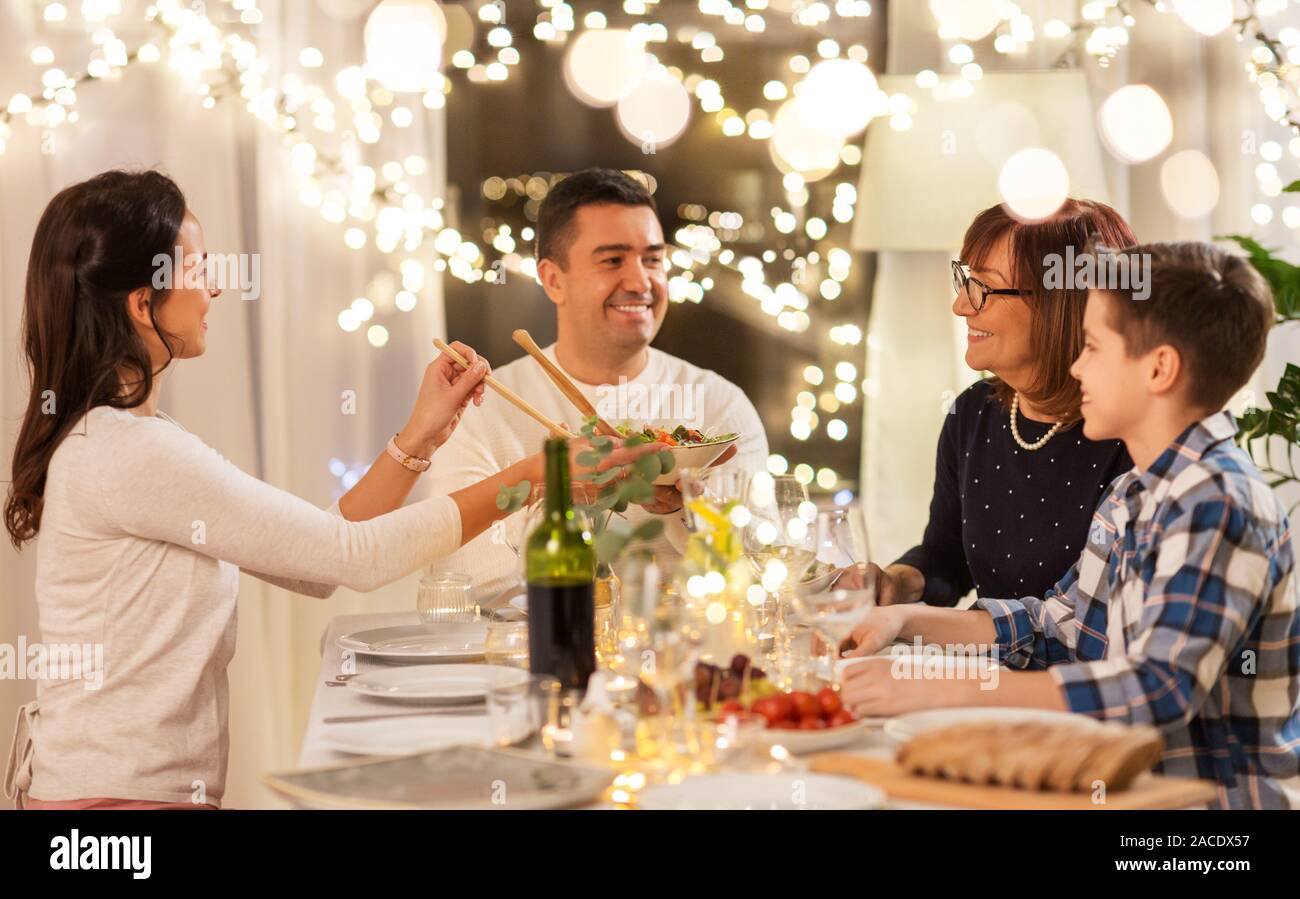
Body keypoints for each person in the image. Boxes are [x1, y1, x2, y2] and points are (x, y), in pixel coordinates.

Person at [2, 170, 656, 809]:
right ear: (144, 306)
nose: (216, 289)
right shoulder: (132, 452)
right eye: (197, 269)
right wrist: (541, 470)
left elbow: (320, 558)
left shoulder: (126, 440)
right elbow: (353, 558)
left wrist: (420, 435)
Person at [843, 241, 1299, 809]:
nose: (1076, 366)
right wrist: (902, 622)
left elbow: (1156, 690)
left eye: (1092, 347)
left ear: (1159, 368)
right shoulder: (1137, 492)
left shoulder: (1218, 504)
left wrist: (938, 685)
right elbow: (1053, 630)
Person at [428, 168, 768, 602]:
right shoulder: (486, 406)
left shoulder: (718, 406)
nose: (641, 282)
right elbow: (463, 580)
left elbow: (758, 570)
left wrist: (684, 511)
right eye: (612, 260)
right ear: (553, 279)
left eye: (653, 259)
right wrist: (565, 502)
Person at [842, 201, 1136, 607]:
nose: (961, 305)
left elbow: (1087, 627)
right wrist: (895, 583)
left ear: (1060, 303)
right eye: (965, 280)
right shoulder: (973, 413)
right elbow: (947, 558)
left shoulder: (1131, 436)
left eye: (984, 287)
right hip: (989, 667)